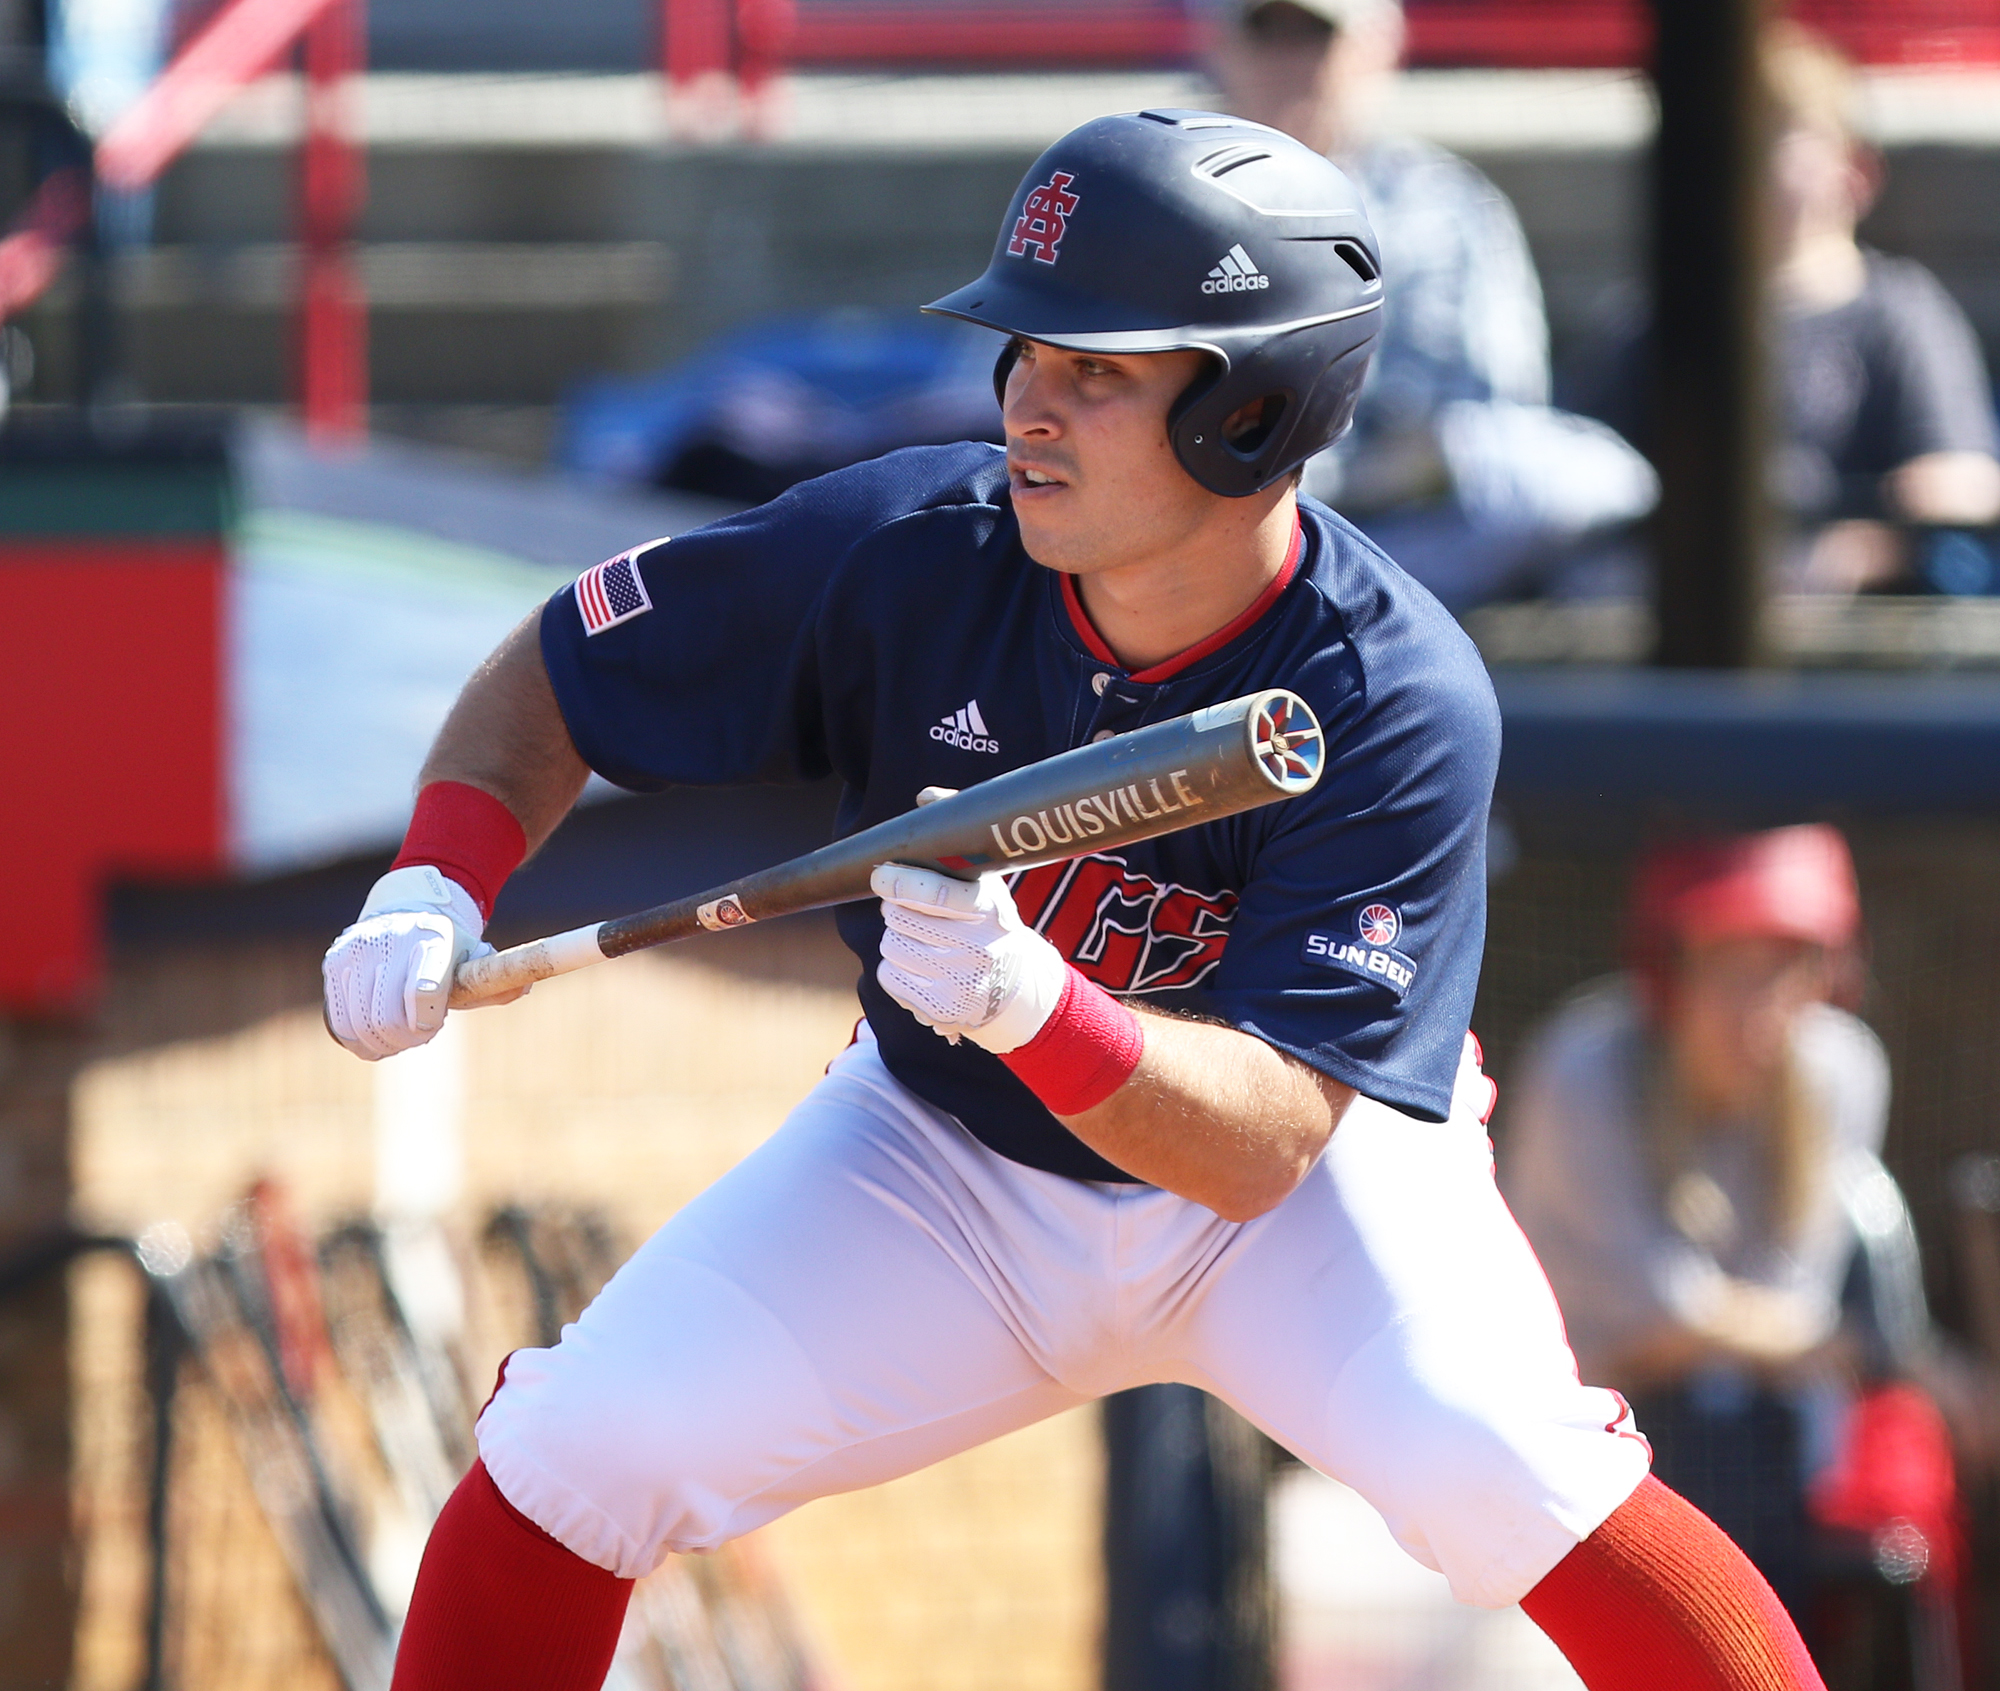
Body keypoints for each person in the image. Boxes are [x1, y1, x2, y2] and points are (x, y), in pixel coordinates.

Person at [321, 112, 1823, 1691]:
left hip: (1298, 1183)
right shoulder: (909, 544)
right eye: (1024, 351)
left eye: (1098, 369)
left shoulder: (1395, 689)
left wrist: (1040, 1002)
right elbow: (557, 669)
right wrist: (435, 874)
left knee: (1511, 1471)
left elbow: (1256, 1149)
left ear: (1255, 410)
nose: (1028, 401)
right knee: (578, 1451)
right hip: (948, 1150)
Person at [1502, 826, 1903, 1624]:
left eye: (1785, 968)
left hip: (1767, 1456)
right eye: (1728, 967)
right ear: (1667, 973)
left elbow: (1785, 1305)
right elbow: (1658, 1325)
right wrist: (1826, 1344)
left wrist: (1797, 1343)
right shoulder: (1582, 1068)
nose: (1757, 1003)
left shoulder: (1842, 1068)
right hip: (1569, 1454)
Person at [1212, 0, 1657, 609]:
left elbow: (1494, 428)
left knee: (1580, 483)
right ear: (1222, 49)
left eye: (1316, 38)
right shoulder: (1168, 199)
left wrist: (1411, 463)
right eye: (1271, 36)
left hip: (1398, 524)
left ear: (1379, 52)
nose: (1292, 65)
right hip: (1219, 506)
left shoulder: (1447, 204)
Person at [1579, 23, 2000, 595]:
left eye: (1776, 134)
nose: (1744, 159)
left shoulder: (1899, 313)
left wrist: (1862, 546)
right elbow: (1578, 478)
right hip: (1678, 595)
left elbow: (1960, 481)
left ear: (1855, 172)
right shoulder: (1649, 316)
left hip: (1851, 607)